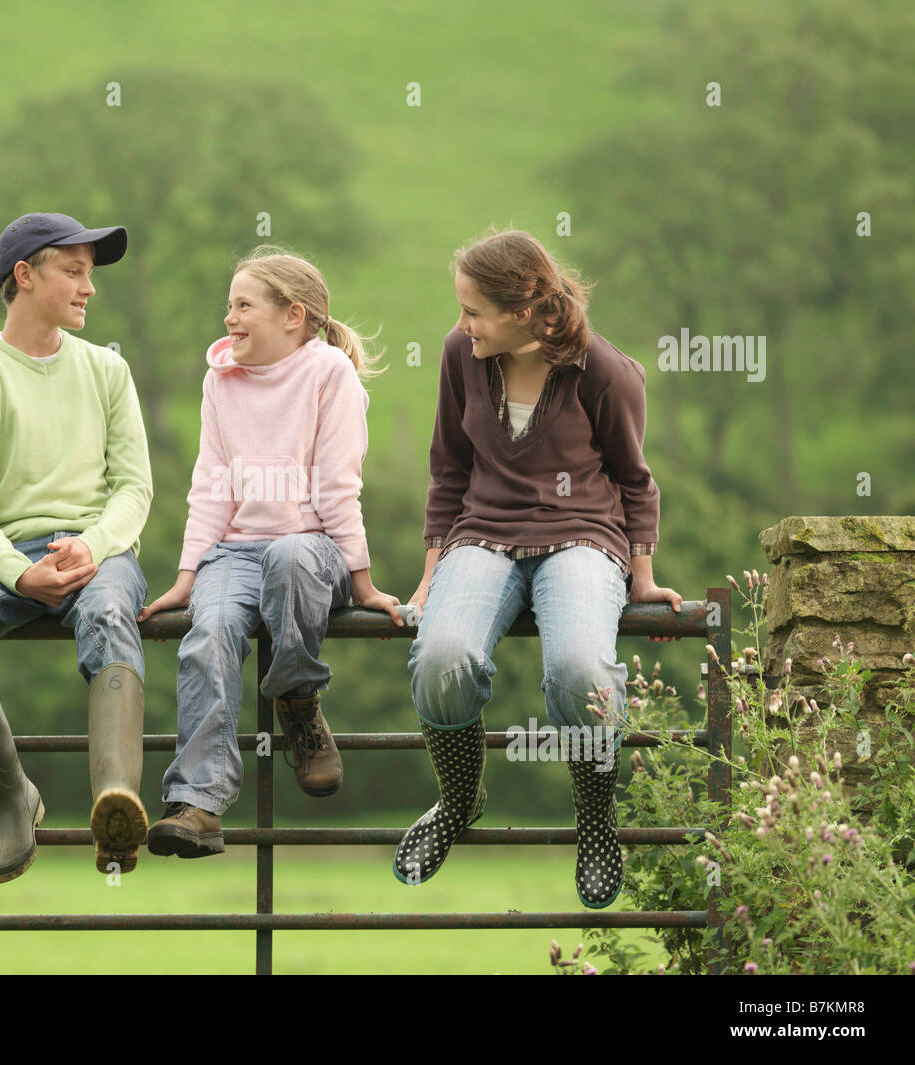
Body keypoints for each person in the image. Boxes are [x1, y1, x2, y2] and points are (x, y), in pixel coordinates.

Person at [395, 228, 682, 907]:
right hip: (483, 535)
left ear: (524, 312)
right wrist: (431, 573)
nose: (462, 325)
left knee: (583, 672)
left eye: (473, 311)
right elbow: (448, 470)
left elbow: (636, 481)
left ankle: (594, 816)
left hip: (583, 538)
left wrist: (643, 577)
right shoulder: (459, 355)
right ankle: (460, 800)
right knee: (440, 657)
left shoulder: (604, 371)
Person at [138, 247, 402, 858]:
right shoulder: (219, 381)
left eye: (243, 305)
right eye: (228, 305)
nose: (229, 318)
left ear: (293, 316)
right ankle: (198, 804)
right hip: (234, 553)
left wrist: (362, 583)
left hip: (313, 552)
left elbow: (339, 484)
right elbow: (210, 483)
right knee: (208, 636)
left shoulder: (328, 374)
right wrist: (187, 575)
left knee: (287, 556)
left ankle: (298, 701)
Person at [0, 212, 153, 882]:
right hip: (7, 556)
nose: (90, 288)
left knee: (109, 614)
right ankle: (11, 796)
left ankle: (116, 802)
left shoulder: (108, 370)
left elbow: (135, 488)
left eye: (91, 274)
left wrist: (95, 545)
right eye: (74, 272)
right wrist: (20, 574)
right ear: (25, 276)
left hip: (99, 551)